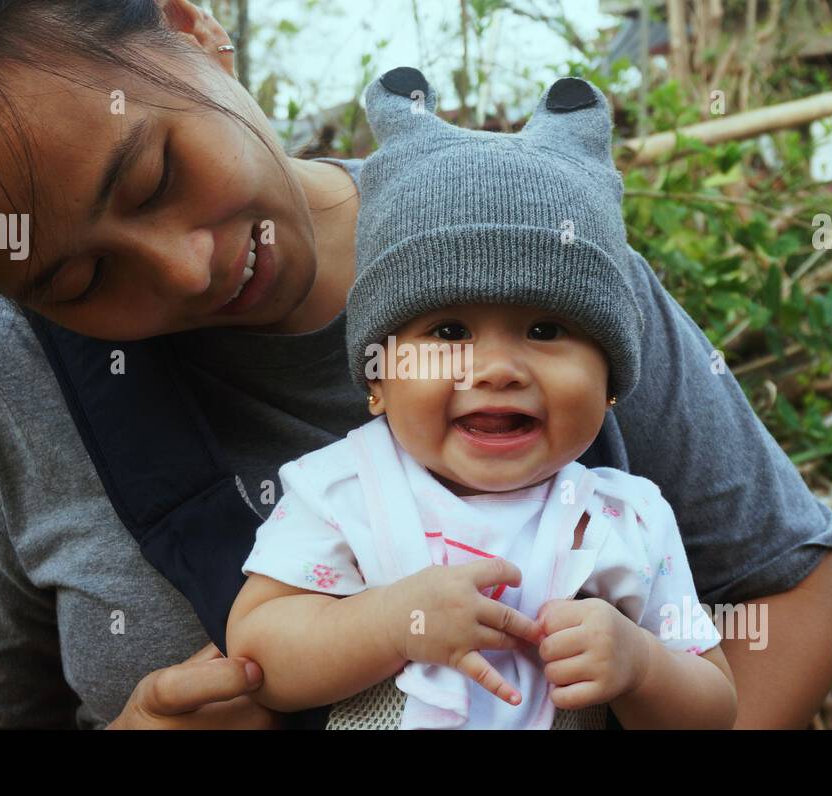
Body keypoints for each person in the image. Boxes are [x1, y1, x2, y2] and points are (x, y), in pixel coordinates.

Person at [0, 0, 832, 730]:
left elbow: (785, 581)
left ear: (192, 26)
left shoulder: (522, 243)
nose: (185, 270)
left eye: (152, 175)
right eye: (77, 280)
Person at [227, 71, 735, 729]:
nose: (496, 369)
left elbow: (716, 706)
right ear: (376, 376)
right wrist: (391, 623)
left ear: (610, 382)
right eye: (449, 331)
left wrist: (642, 665)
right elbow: (260, 653)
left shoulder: (623, 521)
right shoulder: (346, 494)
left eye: (546, 330)